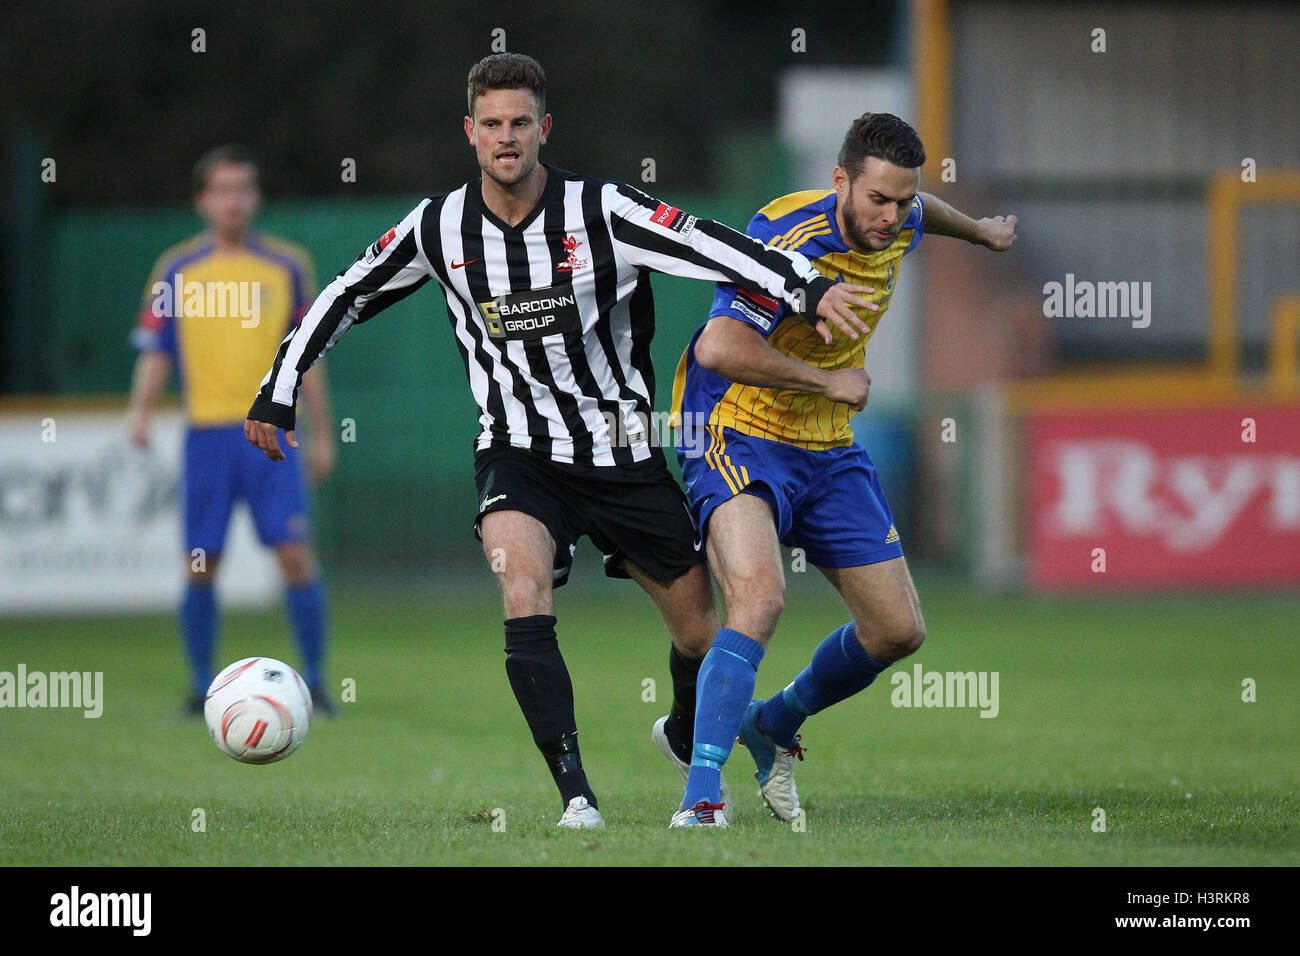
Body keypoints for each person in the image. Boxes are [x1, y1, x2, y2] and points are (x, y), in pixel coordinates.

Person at [243, 53, 873, 829]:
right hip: (517, 450)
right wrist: (278, 392)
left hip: (622, 450)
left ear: (544, 129)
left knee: (699, 629)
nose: (506, 139)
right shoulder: (438, 227)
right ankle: (576, 795)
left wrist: (803, 286)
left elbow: (713, 244)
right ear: (469, 133)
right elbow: (342, 294)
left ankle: (682, 733)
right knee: (521, 587)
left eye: (520, 124)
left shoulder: (603, 212)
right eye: (492, 125)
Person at [668, 112, 1018, 826]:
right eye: (877, 201)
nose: (892, 218)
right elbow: (718, 347)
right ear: (839, 182)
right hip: (735, 430)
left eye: (902, 200)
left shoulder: (903, 214)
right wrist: (826, 380)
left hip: (827, 445)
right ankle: (702, 790)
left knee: (898, 630)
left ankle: (773, 723)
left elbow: (929, 213)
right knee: (761, 601)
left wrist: (980, 230)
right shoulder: (783, 236)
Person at [126, 145, 337, 716]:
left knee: (294, 554)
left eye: (244, 188)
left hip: (272, 436)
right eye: (222, 189)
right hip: (208, 438)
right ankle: (200, 685)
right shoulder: (177, 269)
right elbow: (156, 348)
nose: (234, 200)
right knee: (201, 561)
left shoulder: (287, 266)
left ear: (256, 197)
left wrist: (321, 433)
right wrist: (140, 412)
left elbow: (309, 353)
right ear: (202, 200)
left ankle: (316, 682)